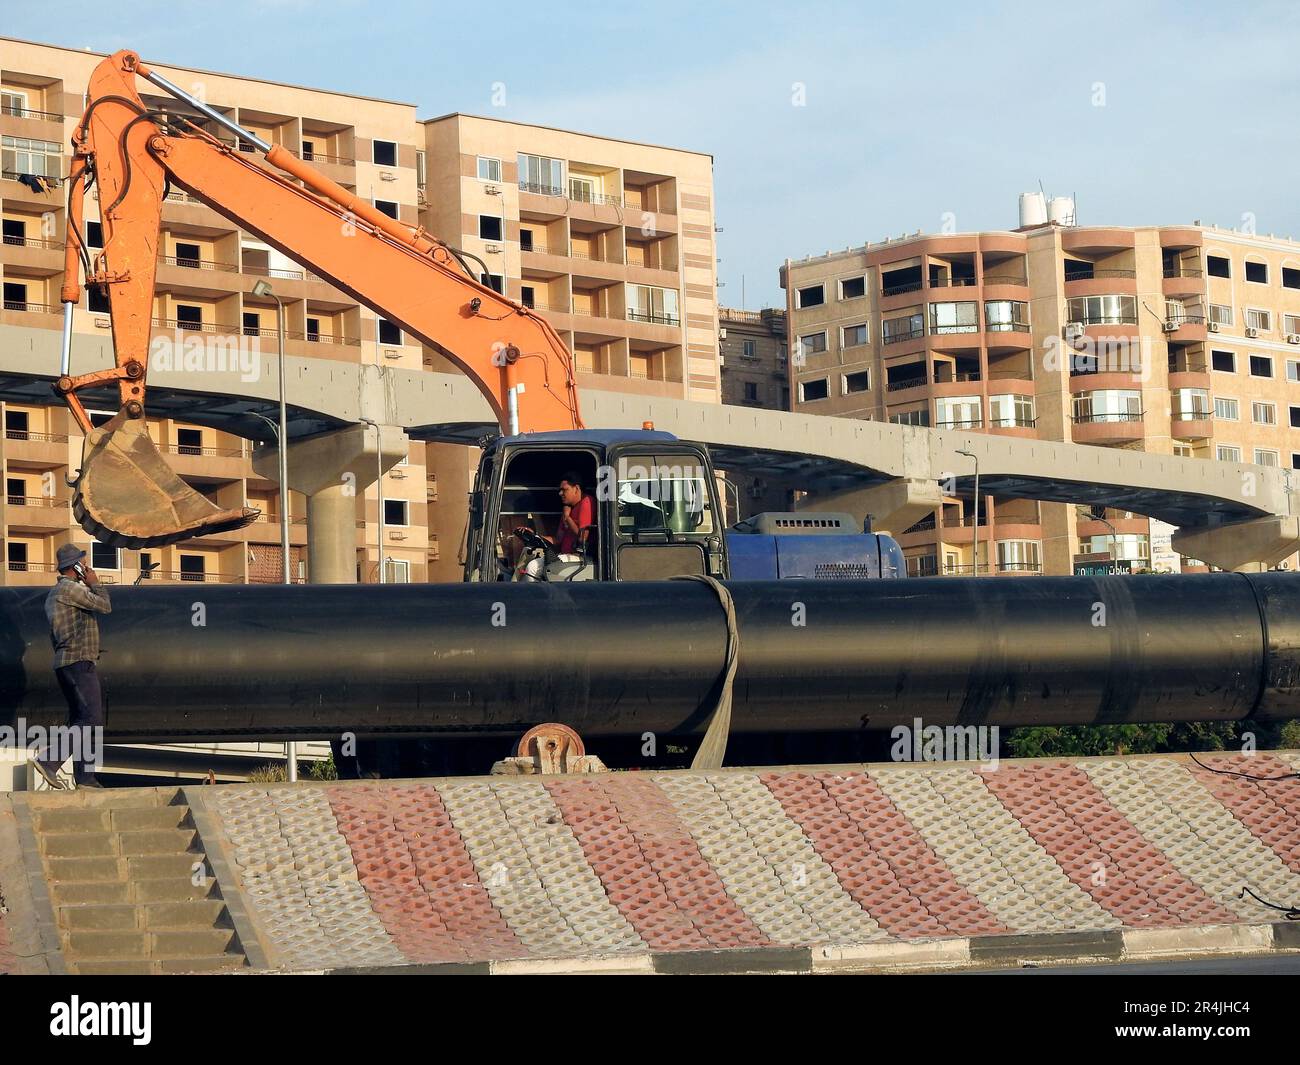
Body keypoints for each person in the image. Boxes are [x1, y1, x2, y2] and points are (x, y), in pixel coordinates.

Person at [32, 543, 111, 790]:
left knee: (83, 720)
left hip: (69, 662)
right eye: (82, 563)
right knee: (91, 720)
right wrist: (94, 582)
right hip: (78, 662)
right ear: (75, 566)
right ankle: (49, 761)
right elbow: (104, 605)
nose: (86, 567)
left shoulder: (54, 595)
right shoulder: (68, 590)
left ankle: (86, 778)